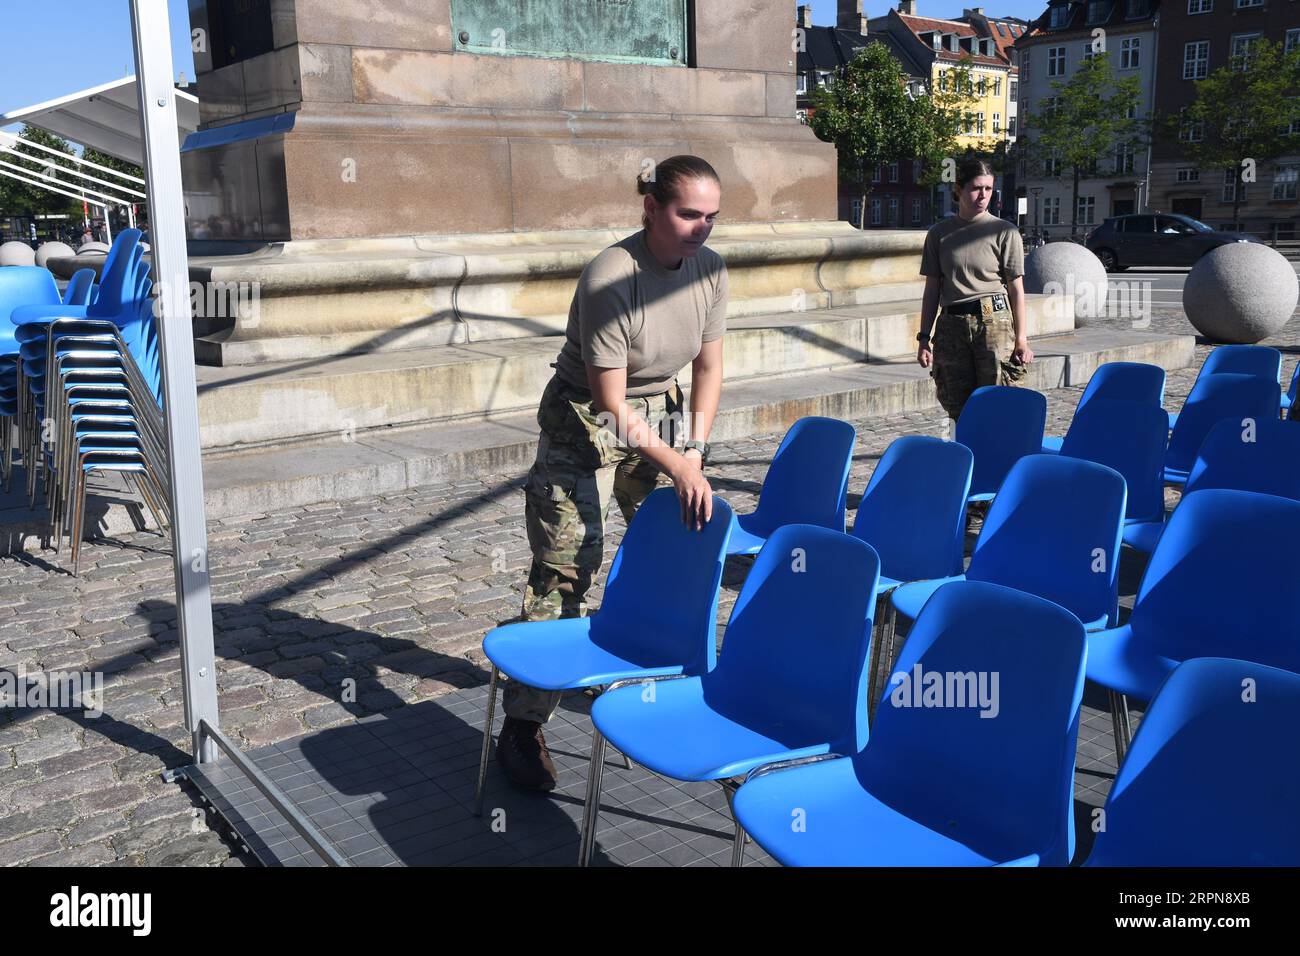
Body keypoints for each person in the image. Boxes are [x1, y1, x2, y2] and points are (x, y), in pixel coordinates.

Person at [495, 155, 729, 791]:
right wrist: (676, 460)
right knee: (567, 568)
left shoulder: (708, 270)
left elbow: (707, 368)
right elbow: (610, 404)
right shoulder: (611, 275)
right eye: (688, 214)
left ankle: (677, 695)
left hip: (666, 416)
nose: (701, 229)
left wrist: (695, 452)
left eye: (711, 216)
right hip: (590, 421)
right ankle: (520, 727)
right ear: (650, 208)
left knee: (679, 550)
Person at [916, 158, 1034, 425]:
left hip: (993, 320)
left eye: (989, 189)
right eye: (976, 188)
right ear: (958, 189)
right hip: (951, 324)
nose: (983, 196)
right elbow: (932, 289)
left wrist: (1022, 339)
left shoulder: (1004, 231)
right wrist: (924, 337)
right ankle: (967, 459)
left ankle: (998, 460)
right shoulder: (939, 234)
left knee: (998, 399)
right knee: (957, 405)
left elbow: (1016, 288)